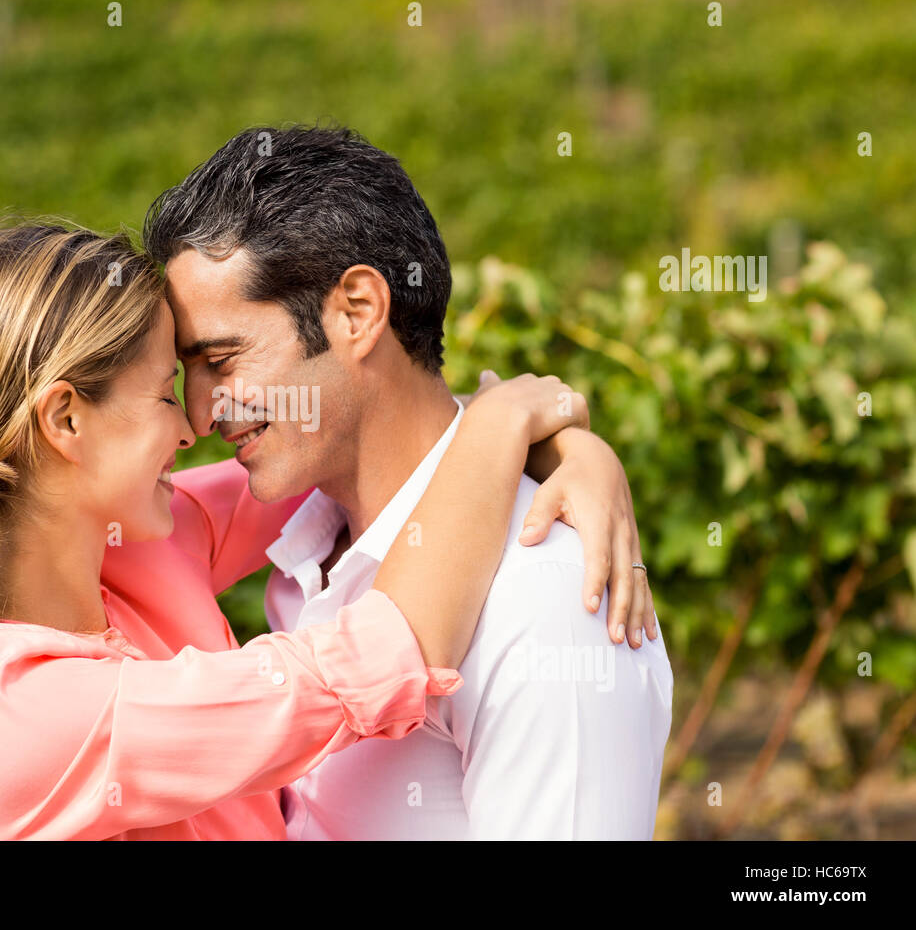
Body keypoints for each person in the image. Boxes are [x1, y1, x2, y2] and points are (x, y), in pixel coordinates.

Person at [0, 222, 650, 839]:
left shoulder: (144, 545)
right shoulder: (9, 709)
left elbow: (362, 433)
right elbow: (382, 655)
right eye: (163, 394)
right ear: (66, 419)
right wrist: (504, 423)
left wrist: (561, 446)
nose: (196, 424)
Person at [143, 124, 673, 838]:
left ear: (357, 312)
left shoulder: (542, 596)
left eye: (222, 360)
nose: (202, 412)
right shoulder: (306, 554)